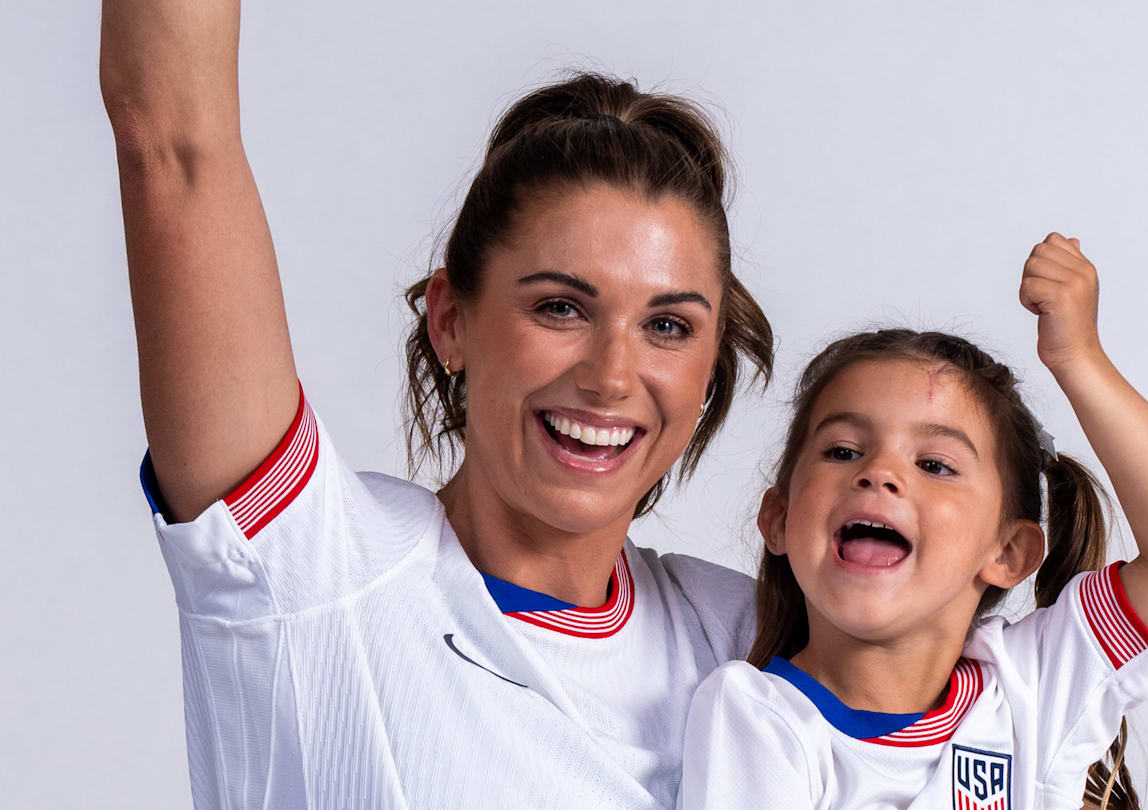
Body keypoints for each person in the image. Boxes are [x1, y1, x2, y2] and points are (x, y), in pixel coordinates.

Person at [100, 1, 773, 807]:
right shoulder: (314, 573)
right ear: (451, 321)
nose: (612, 376)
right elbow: (173, 144)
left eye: (668, 325)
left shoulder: (747, 642)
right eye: (560, 307)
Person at [678, 235, 1148, 809]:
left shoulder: (1031, 691)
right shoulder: (756, 716)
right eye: (843, 451)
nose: (879, 473)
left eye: (934, 464)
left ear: (1009, 552)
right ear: (778, 518)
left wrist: (1079, 359)